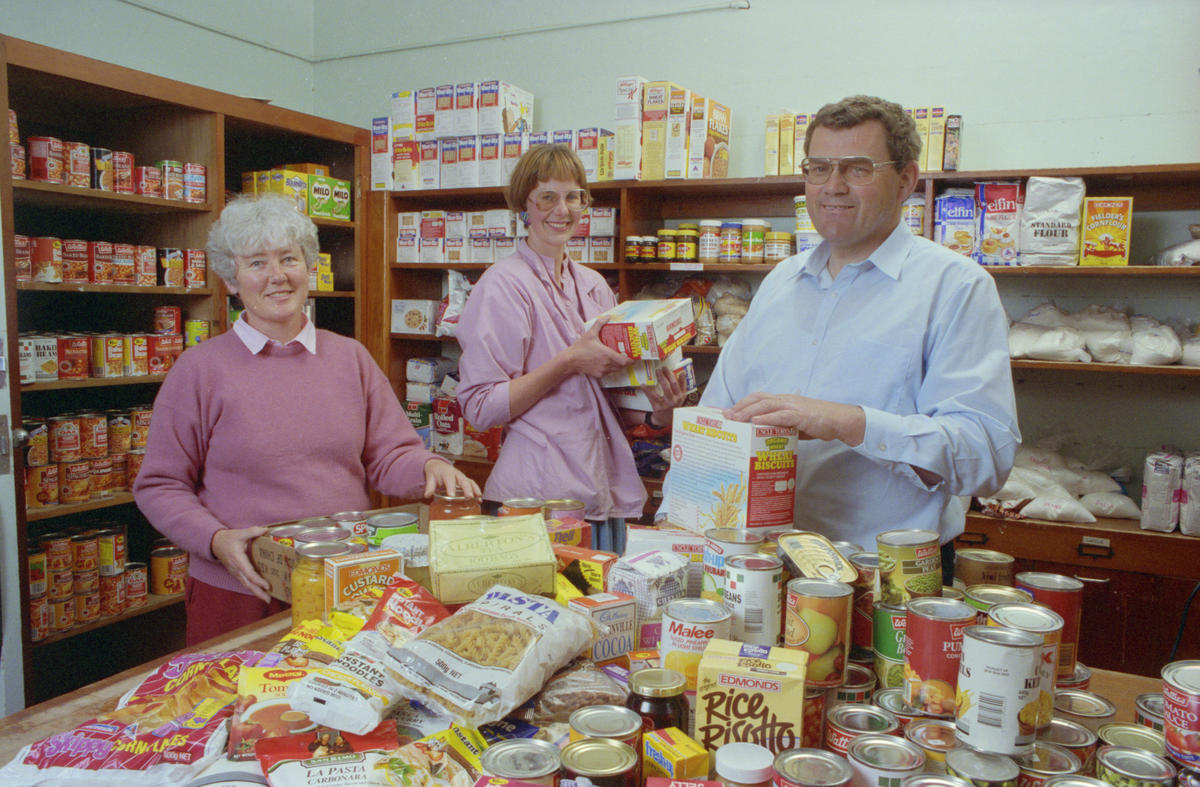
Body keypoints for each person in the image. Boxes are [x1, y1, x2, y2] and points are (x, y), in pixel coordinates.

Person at [666, 95, 1019, 577]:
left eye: (857, 169)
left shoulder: (955, 287)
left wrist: (848, 423)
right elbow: (717, 419)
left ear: (906, 181)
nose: (833, 186)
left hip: (886, 573)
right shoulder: (781, 283)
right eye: (819, 168)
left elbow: (986, 455)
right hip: (762, 564)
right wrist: (675, 514)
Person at [133, 195, 479, 645]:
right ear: (231, 279)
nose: (277, 276)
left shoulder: (350, 357)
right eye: (257, 263)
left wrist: (429, 466)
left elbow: (390, 455)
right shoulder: (199, 370)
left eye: (289, 258)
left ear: (309, 266)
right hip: (242, 588)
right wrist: (215, 539)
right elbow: (159, 485)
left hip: (346, 580)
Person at [456, 144, 686, 552]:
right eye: (547, 197)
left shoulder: (594, 286)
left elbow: (608, 398)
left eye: (573, 196)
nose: (562, 210)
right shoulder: (503, 286)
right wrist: (568, 362)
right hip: (536, 502)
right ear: (523, 206)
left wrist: (659, 411)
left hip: (602, 493)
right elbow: (480, 407)